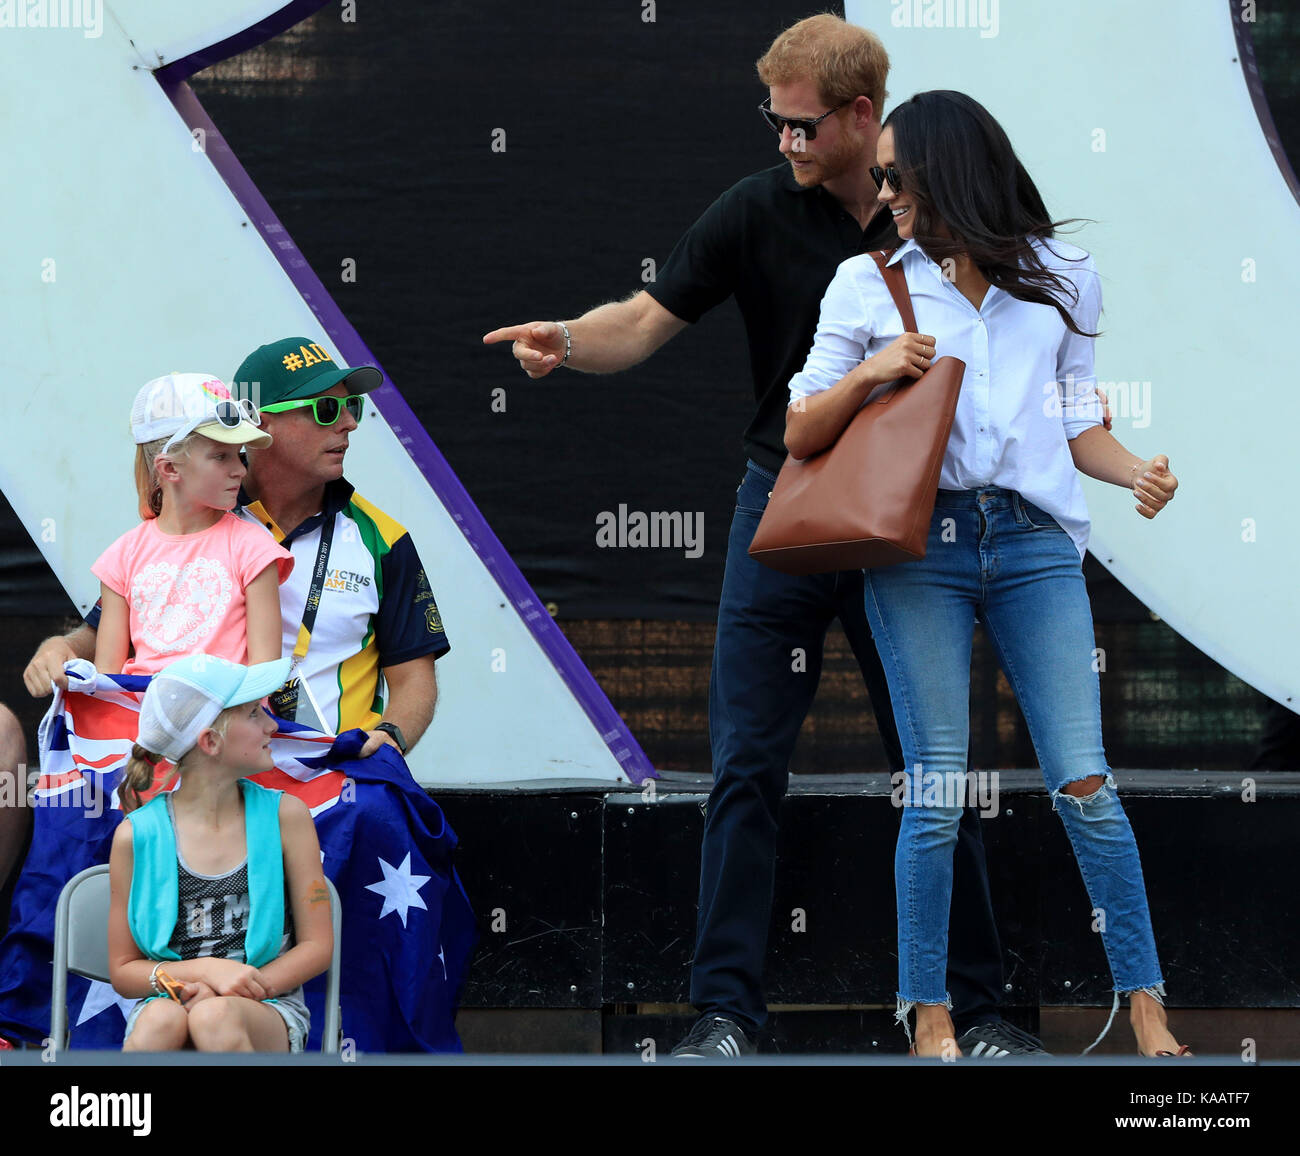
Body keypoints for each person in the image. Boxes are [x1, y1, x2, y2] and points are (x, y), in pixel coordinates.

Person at [484, 15, 1036, 1057]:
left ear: (862, 116)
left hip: (906, 517)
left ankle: (977, 1014)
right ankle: (724, 1015)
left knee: (937, 763)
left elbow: (1022, 335)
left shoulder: (938, 212)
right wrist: (567, 337)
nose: (783, 143)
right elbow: (644, 320)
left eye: (801, 126)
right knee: (744, 761)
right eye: (773, 123)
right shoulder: (753, 208)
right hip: (779, 502)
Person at [785, 90, 1186, 1058]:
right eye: (877, 177)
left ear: (947, 170)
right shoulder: (865, 282)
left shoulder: (1063, 276)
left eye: (894, 175)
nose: (882, 193)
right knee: (934, 787)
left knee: (1084, 781)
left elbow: (1075, 419)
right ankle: (928, 1013)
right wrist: (873, 372)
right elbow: (800, 427)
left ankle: (1145, 1003)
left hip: (1035, 542)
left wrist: (1135, 470)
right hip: (920, 545)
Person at [108, 653, 332, 1052]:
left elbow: (318, 947)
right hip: (169, 999)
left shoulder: (287, 817)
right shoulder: (135, 837)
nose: (272, 724)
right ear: (210, 741)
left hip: (268, 1005)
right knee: (159, 1021)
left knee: (215, 1017)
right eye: (253, 715)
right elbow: (124, 970)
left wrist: (237, 990)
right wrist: (204, 972)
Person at [92, 373, 293, 678]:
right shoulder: (121, 557)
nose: (240, 469)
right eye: (220, 457)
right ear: (170, 468)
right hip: (140, 722)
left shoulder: (254, 547)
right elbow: (106, 679)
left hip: (227, 721)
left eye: (238, 456)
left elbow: (265, 674)